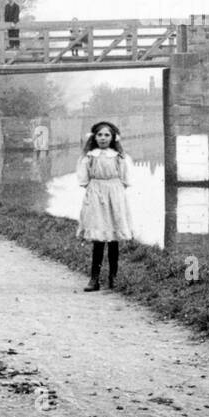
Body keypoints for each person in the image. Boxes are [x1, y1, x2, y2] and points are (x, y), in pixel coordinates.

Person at [75, 121, 134, 291]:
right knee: (98, 237)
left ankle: (113, 277)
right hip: (95, 194)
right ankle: (94, 279)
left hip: (115, 194)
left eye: (107, 135)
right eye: (99, 135)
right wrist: (96, 191)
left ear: (113, 137)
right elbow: (84, 179)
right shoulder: (89, 156)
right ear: (94, 137)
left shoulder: (119, 157)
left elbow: (125, 179)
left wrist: (113, 192)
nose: (103, 138)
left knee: (113, 237)